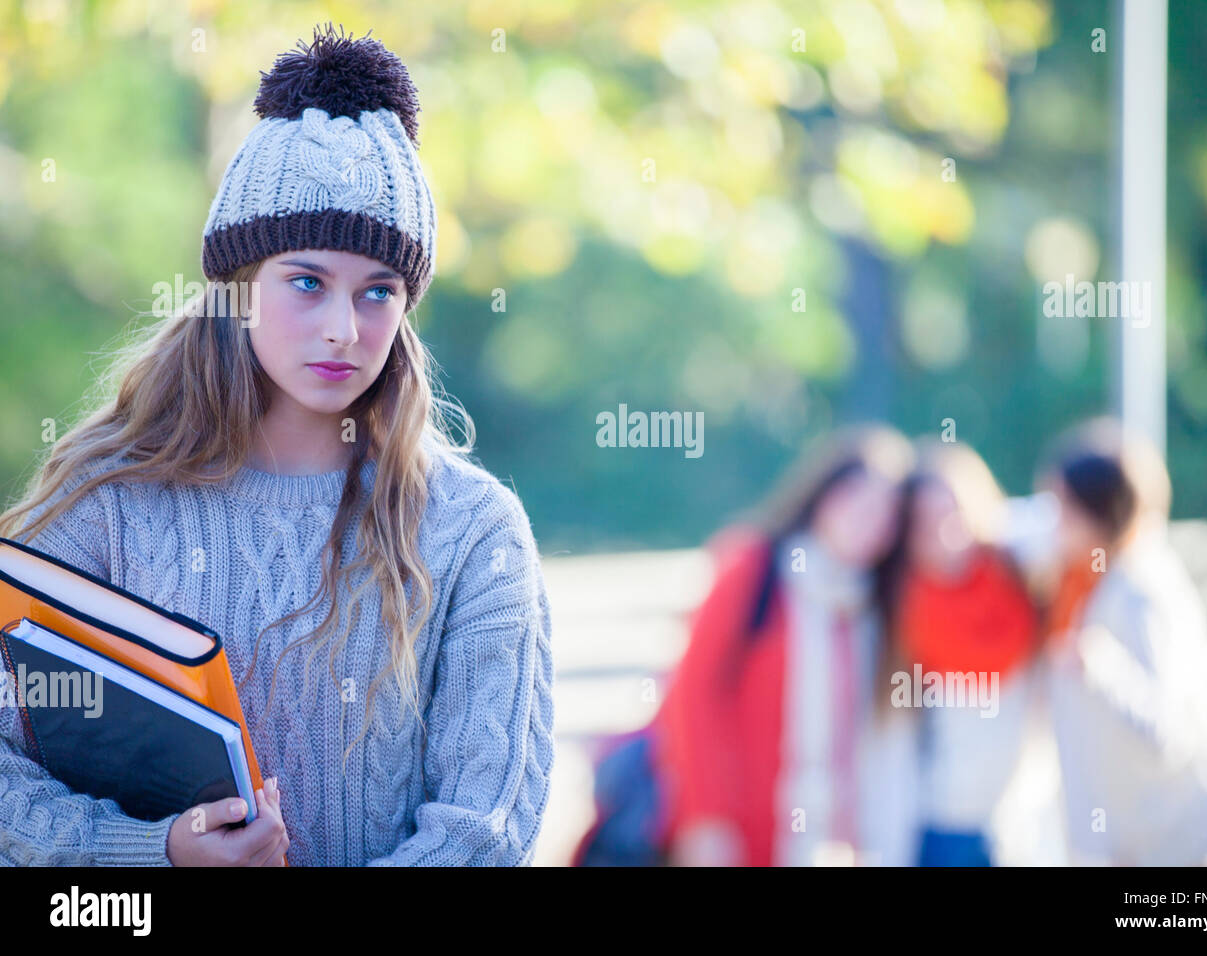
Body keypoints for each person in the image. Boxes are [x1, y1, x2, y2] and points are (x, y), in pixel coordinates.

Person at [0, 23, 553, 867]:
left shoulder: (474, 531)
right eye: (306, 282)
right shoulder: (105, 504)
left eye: (379, 292)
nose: (344, 328)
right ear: (240, 286)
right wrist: (157, 852)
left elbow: (485, 827)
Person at [652, 424, 918, 866]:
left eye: (887, 513)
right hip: (735, 833)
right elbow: (692, 698)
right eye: (856, 500)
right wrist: (707, 822)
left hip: (821, 842)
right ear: (822, 497)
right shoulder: (755, 566)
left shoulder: (873, 605)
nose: (869, 521)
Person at [1037, 418, 1207, 866]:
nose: (1052, 521)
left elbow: (1171, 730)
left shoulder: (1142, 589)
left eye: (1063, 506)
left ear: (1100, 511)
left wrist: (1103, 669)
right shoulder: (1099, 576)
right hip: (1176, 838)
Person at [885, 439, 1039, 866]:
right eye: (925, 519)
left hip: (1018, 818)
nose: (943, 529)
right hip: (936, 821)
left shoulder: (1020, 576)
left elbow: (1057, 520)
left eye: (952, 510)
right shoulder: (899, 607)